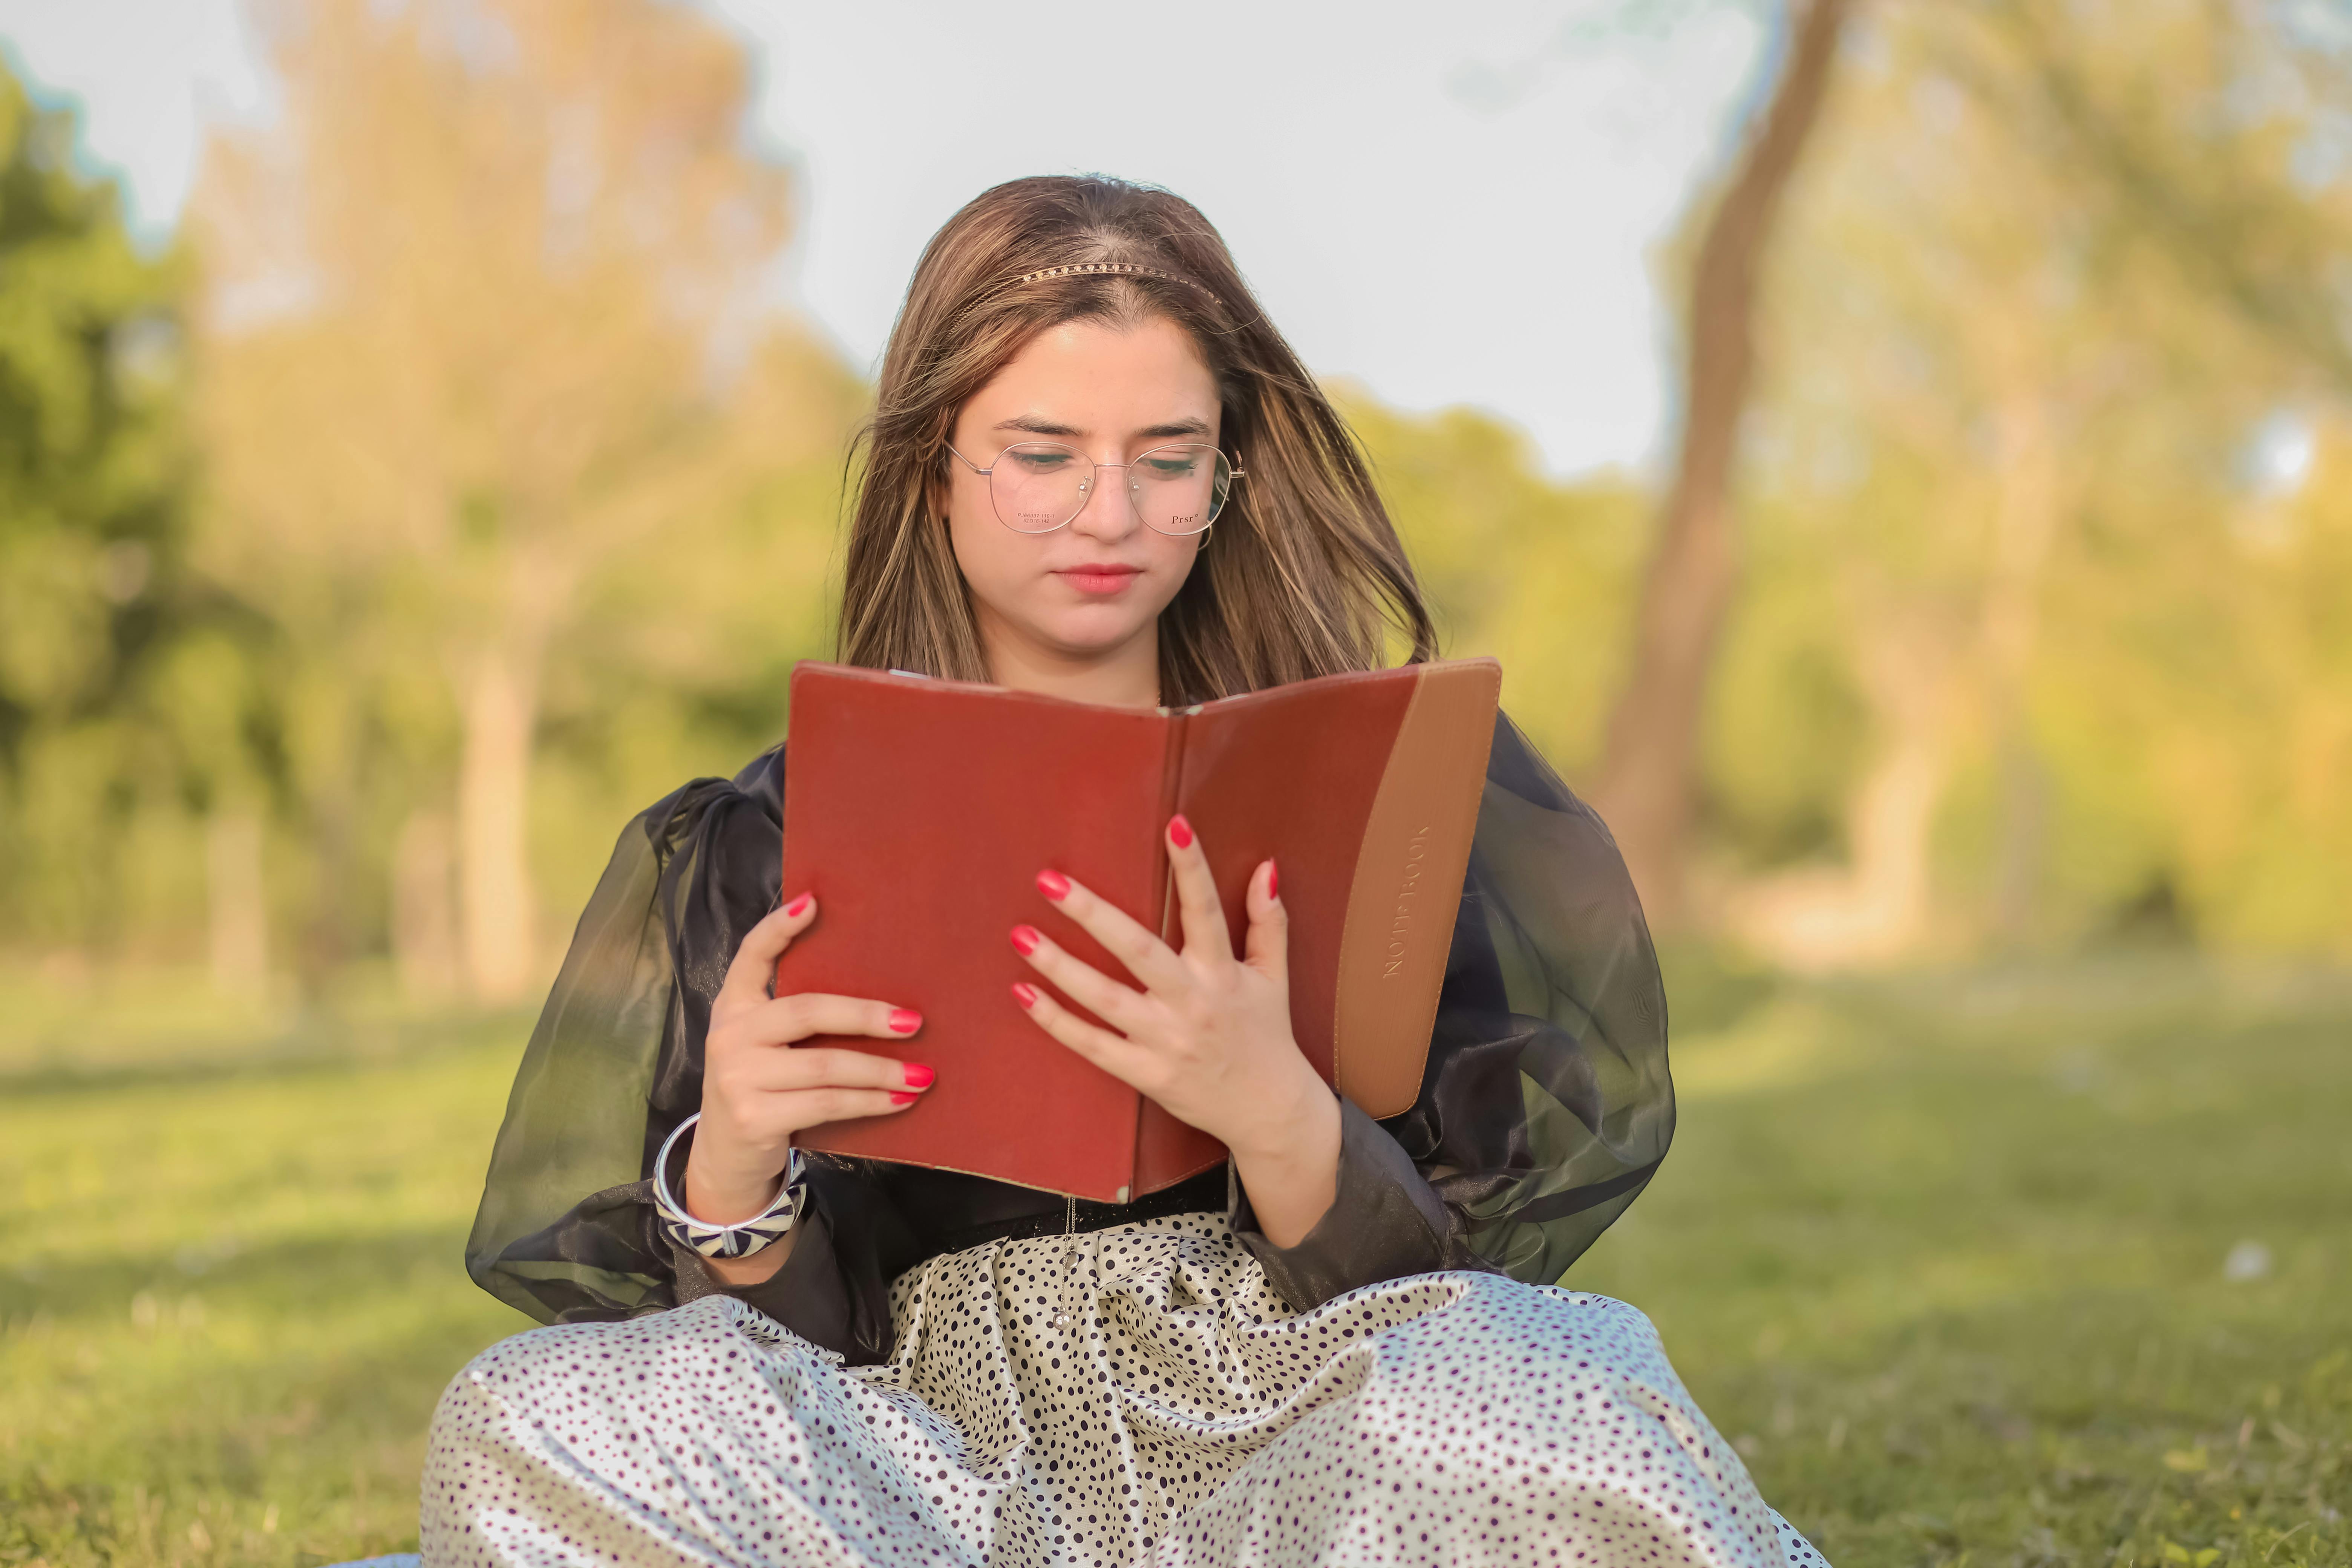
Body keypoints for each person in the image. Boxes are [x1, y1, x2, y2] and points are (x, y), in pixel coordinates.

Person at [424, 175, 1825, 1568]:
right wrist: (733, 1170)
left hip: (1283, 1434)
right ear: (934, 467)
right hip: (915, 1472)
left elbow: (1437, 1306)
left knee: (1553, 1401)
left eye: (1168, 459)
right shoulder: (768, 837)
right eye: (1042, 457)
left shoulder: (1360, 785)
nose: (1111, 516)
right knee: (533, 1410)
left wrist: (1279, 1114)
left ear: (1225, 474)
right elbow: (775, 1370)